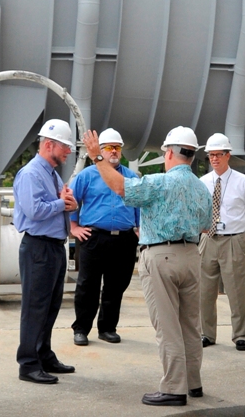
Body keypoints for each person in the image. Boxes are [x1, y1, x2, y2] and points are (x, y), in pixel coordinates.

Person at [82, 125, 212, 407]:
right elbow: (205, 225)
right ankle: (193, 383)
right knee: (190, 325)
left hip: (161, 256)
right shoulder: (202, 188)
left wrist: (97, 157)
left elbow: (120, 187)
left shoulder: (158, 182)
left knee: (167, 326)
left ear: (169, 153)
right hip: (192, 255)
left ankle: (174, 388)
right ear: (191, 155)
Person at [13, 118, 79, 384]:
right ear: (49, 144)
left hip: (53, 248)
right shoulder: (31, 174)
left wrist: (69, 204)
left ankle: (43, 354)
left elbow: (58, 203)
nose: (68, 151)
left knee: (50, 306)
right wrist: (61, 204)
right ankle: (28, 364)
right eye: (65, 146)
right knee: (35, 307)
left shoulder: (51, 173)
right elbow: (34, 210)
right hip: (38, 248)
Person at [69, 127, 140, 346]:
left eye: (117, 147)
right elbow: (71, 201)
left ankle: (107, 328)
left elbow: (139, 206)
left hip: (124, 239)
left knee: (116, 286)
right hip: (94, 238)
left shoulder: (131, 177)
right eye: (109, 147)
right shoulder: (87, 176)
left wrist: (139, 230)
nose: (114, 151)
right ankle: (81, 329)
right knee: (87, 286)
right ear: (100, 150)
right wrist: (74, 227)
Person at [199, 132, 245, 352]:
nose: (214, 159)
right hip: (208, 239)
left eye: (218, 154)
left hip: (233, 240)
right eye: (211, 155)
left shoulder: (243, 182)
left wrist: (237, 233)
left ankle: (241, 335)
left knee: (237, 291)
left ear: (228, 155)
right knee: (205, 291)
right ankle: (206, 333)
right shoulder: (203, 182)